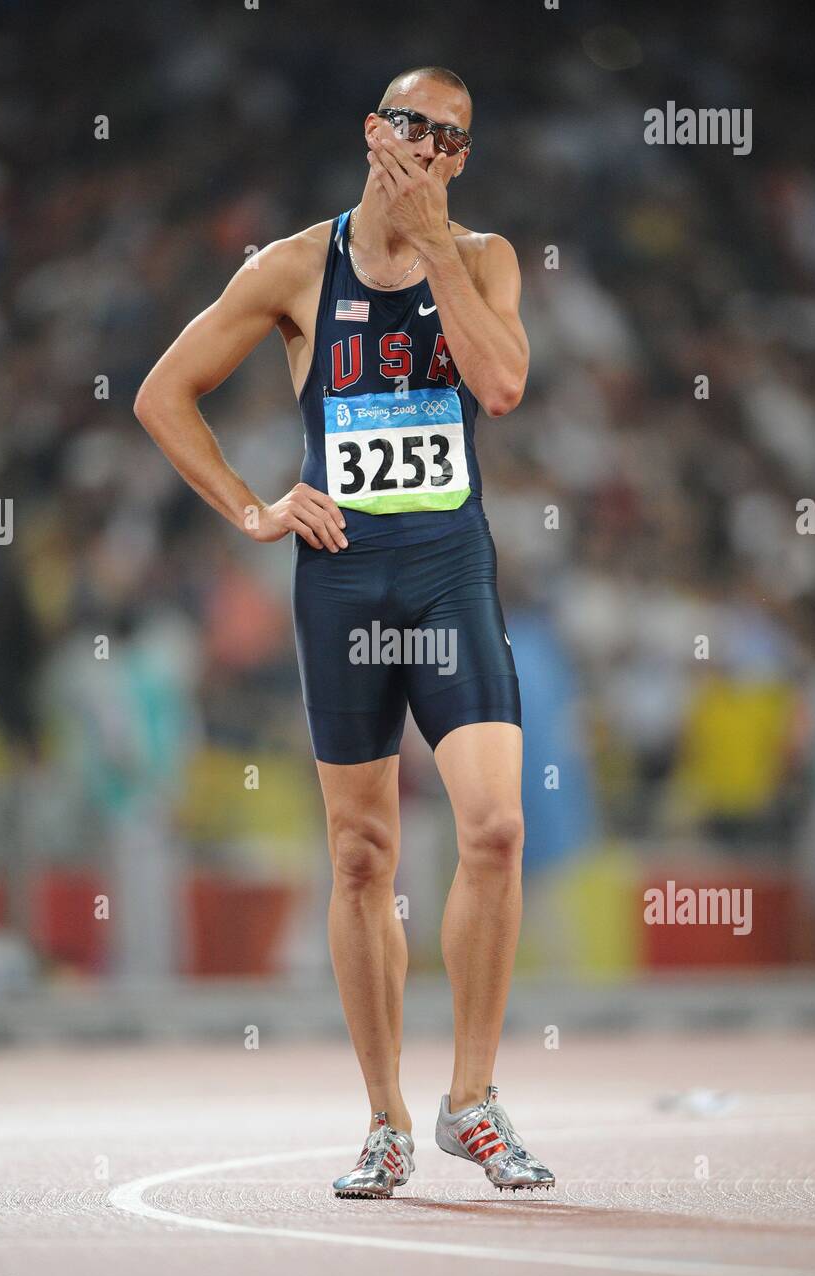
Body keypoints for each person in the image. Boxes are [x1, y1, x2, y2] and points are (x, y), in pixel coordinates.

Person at [135, 65, 555, 1197]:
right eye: (417, 128)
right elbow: (161, 394)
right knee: (362, 852)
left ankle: (473, 1097)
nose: (433, 152)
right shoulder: (286, 269)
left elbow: (504, 385)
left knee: (497, 828)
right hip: (341, 578)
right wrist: (254, 509)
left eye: (456, 141)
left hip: (448, 570)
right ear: (374, 132)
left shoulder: (484, 258)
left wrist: (431, 247)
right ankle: (385, 1118)